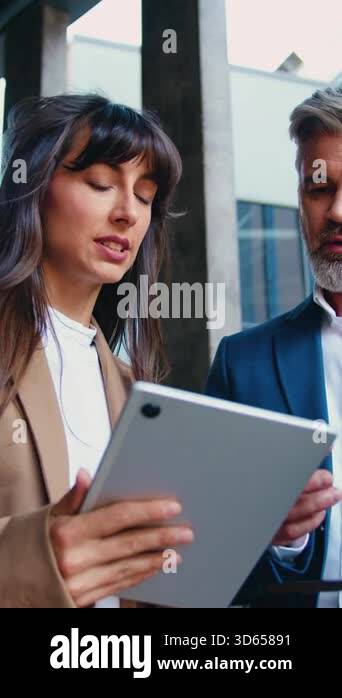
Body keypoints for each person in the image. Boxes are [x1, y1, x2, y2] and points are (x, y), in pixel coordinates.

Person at [0, 92, 194, 608]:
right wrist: (30, 561)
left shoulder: (134, 390)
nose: (129, 212)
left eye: (146, 196)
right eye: (102, 184)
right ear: (34, 187)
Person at [205, 85, 342, 608]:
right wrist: (282, 538)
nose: (336, 212)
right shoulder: (243, 365)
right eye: (317, 188)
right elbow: (204, 556)